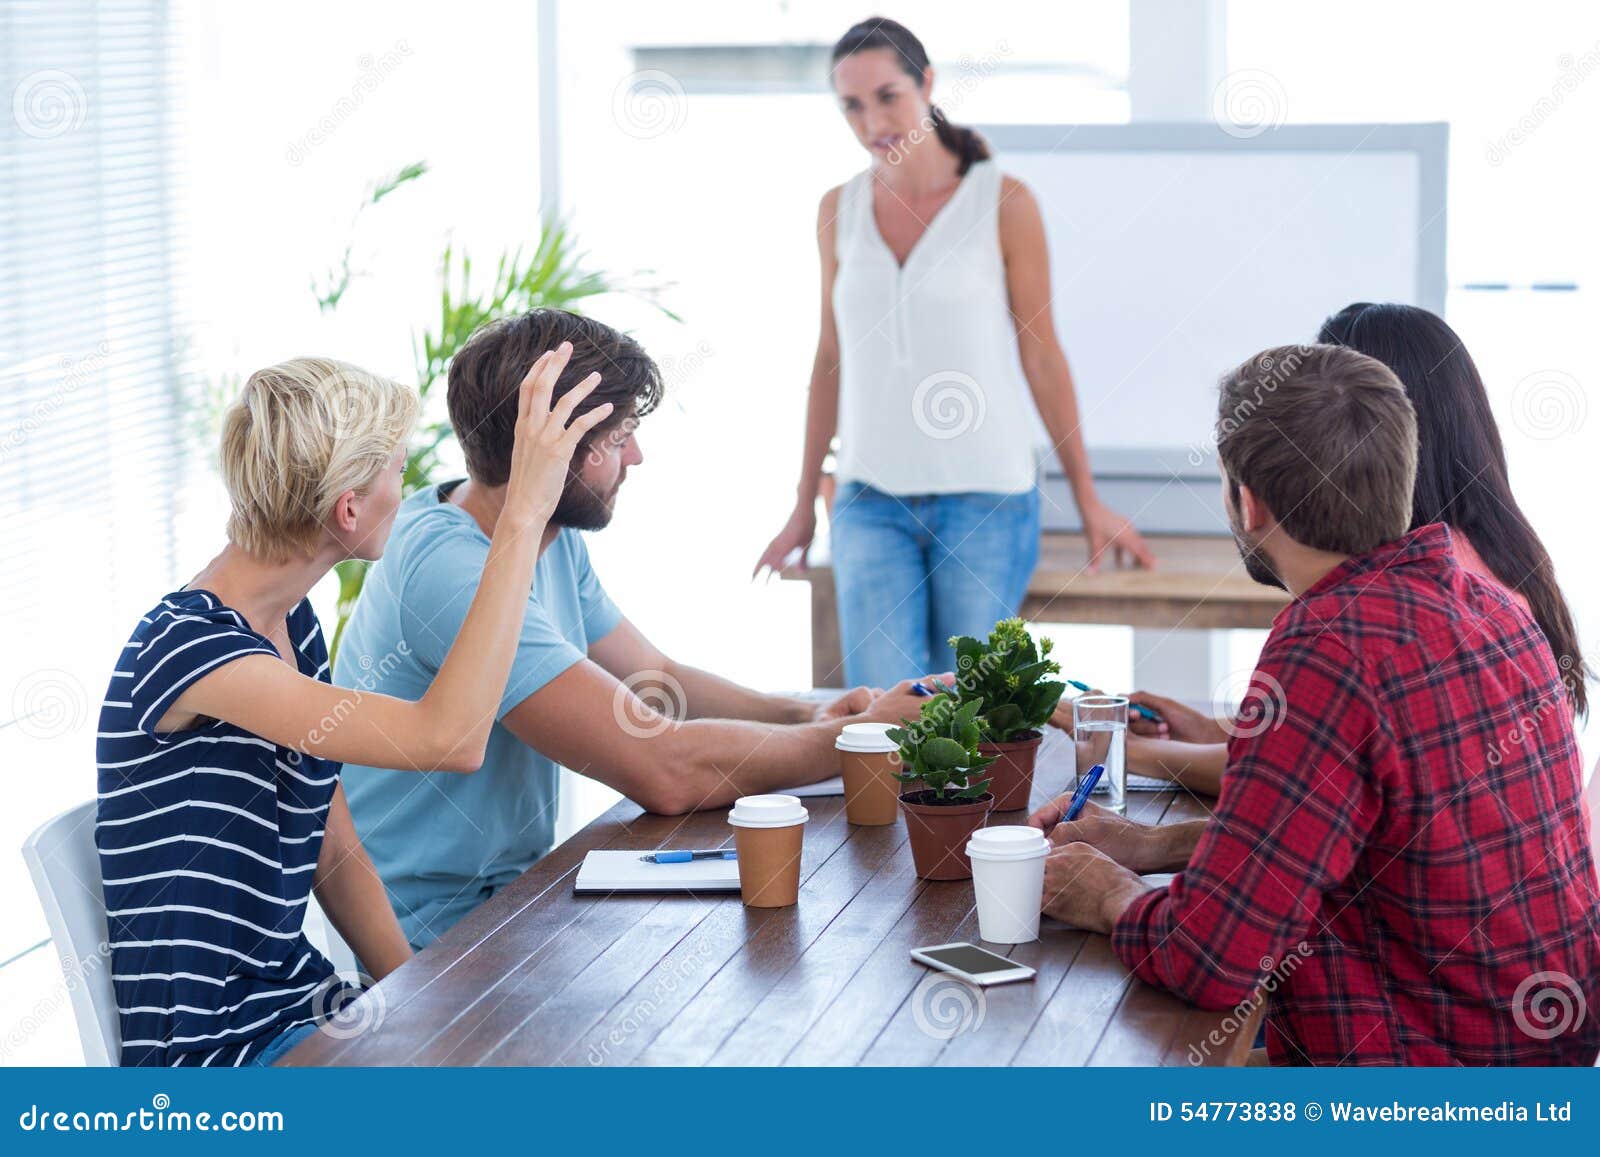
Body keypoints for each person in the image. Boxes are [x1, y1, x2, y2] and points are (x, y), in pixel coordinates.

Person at [1030, 343, 1600, 1065]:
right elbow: (1362, 847)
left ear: (1248, 501)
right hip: (1545, 1065)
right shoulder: (1491, 606)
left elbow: (1210, 959)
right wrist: (1152, 847)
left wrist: (1107, 893)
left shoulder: (1325, 647)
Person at [337, 309, 936, 949]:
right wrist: (860, 738)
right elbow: (664, 769)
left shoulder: (545, 537)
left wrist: (802, 716)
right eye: (620, 436)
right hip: (429, 939)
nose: (638, 455)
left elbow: (657, 679)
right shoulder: (448, 567)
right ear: (552, 444)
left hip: (517, 899)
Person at [96, 348, 609, 1065]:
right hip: (223, 1059)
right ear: (349, 508)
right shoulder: (193, 650)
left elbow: (334, 849)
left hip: (309, 1012)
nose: (409, 488)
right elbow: (451, 737)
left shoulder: (290, 629)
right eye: (397, 469)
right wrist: (522, 512)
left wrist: (420, 998)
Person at [752, 16, 1151, 689]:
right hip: (870, 499)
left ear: (928, 84)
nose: (870, 119)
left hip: (987, 500)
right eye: (850, 104)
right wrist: (800, 503)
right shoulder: (837, 209)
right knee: (890, 716)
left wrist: (1089, 500)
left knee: (970, 719)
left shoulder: (1004, 201)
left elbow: (1043, 357)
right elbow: (829, 360)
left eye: (887, 95)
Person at [1067, 302, 1590, 797]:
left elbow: (1297, 790)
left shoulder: (1434, 592)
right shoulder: (1490, 552)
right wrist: (1211, 732)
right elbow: (1351, 763)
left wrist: (1125, 751)